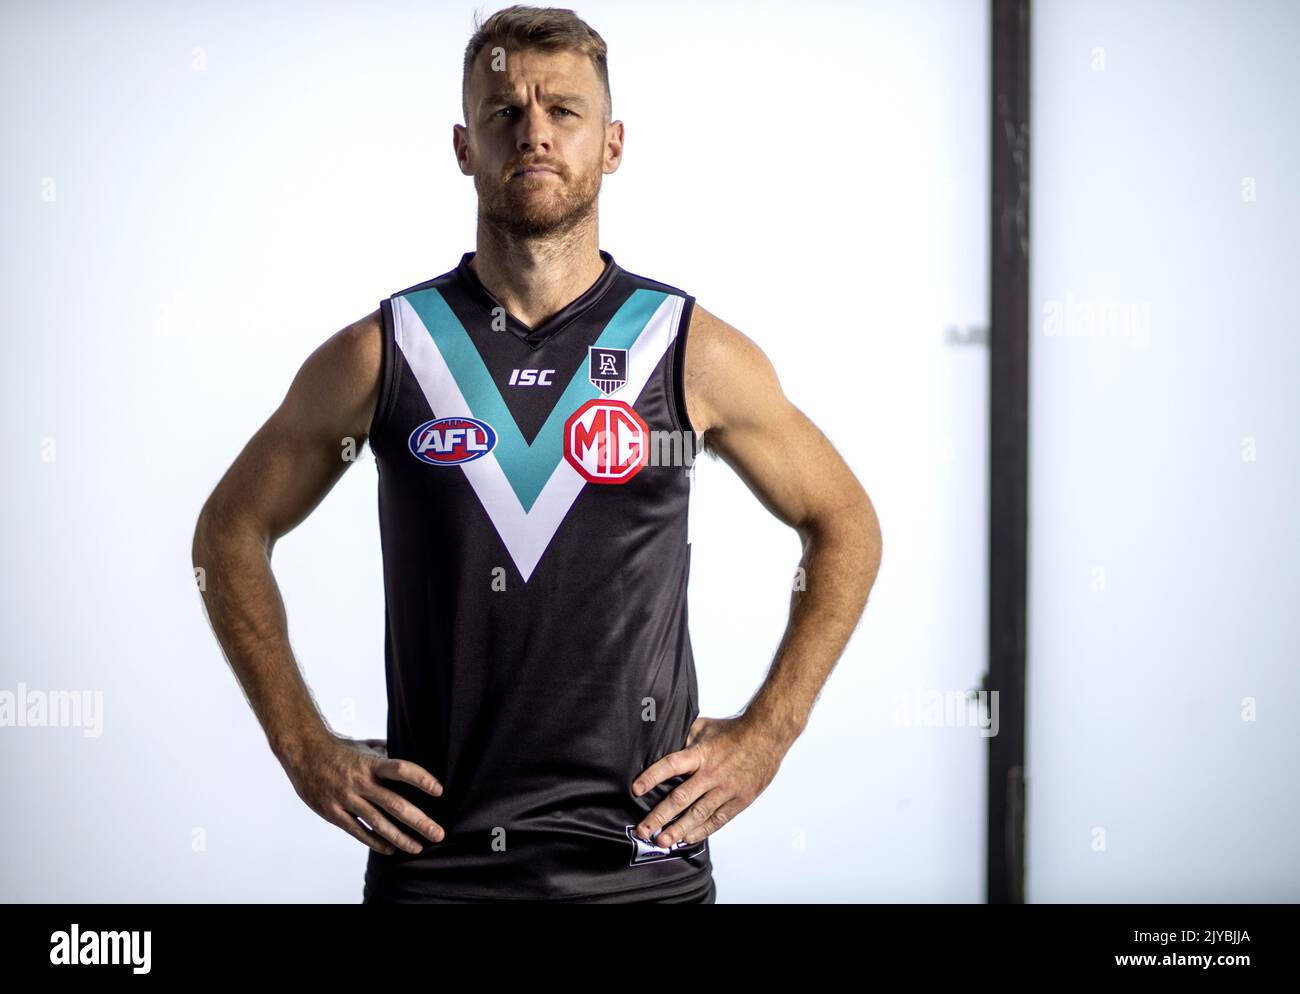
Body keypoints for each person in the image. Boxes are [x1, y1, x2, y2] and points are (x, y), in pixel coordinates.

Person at [191, 4, 882, 904]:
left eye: (564, 111)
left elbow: (846, 523)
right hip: (435, 872)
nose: (535, 134)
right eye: (504, 112)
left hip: (643, 869)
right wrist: (302, 746)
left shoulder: (687, 348)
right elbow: (229, 531)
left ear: (614, 143)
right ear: (462, 146)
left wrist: (766, 738)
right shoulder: (388, 351)